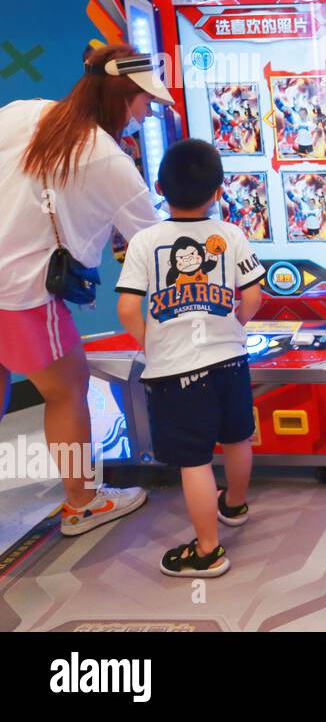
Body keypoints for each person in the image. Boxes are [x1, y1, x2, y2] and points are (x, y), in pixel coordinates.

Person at [0, 44, 172, 535]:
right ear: (124, 96)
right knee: (68, 389)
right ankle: (82, 501)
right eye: (145, 104)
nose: (145, 115)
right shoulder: (107, 157)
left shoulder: (24, 113)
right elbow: (154, 238)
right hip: (23, 294)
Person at [116, 139, 265, 576]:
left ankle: (207, 550)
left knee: (194, 461)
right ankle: (234, 505)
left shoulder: (145, 241)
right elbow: (254, 295)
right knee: (238, 436)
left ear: (159, 186)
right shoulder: (230, 234)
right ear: (218, 191)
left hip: (176, 371)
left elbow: (128, 309)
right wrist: (234, 326)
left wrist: (152, 343)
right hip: (231, 362)